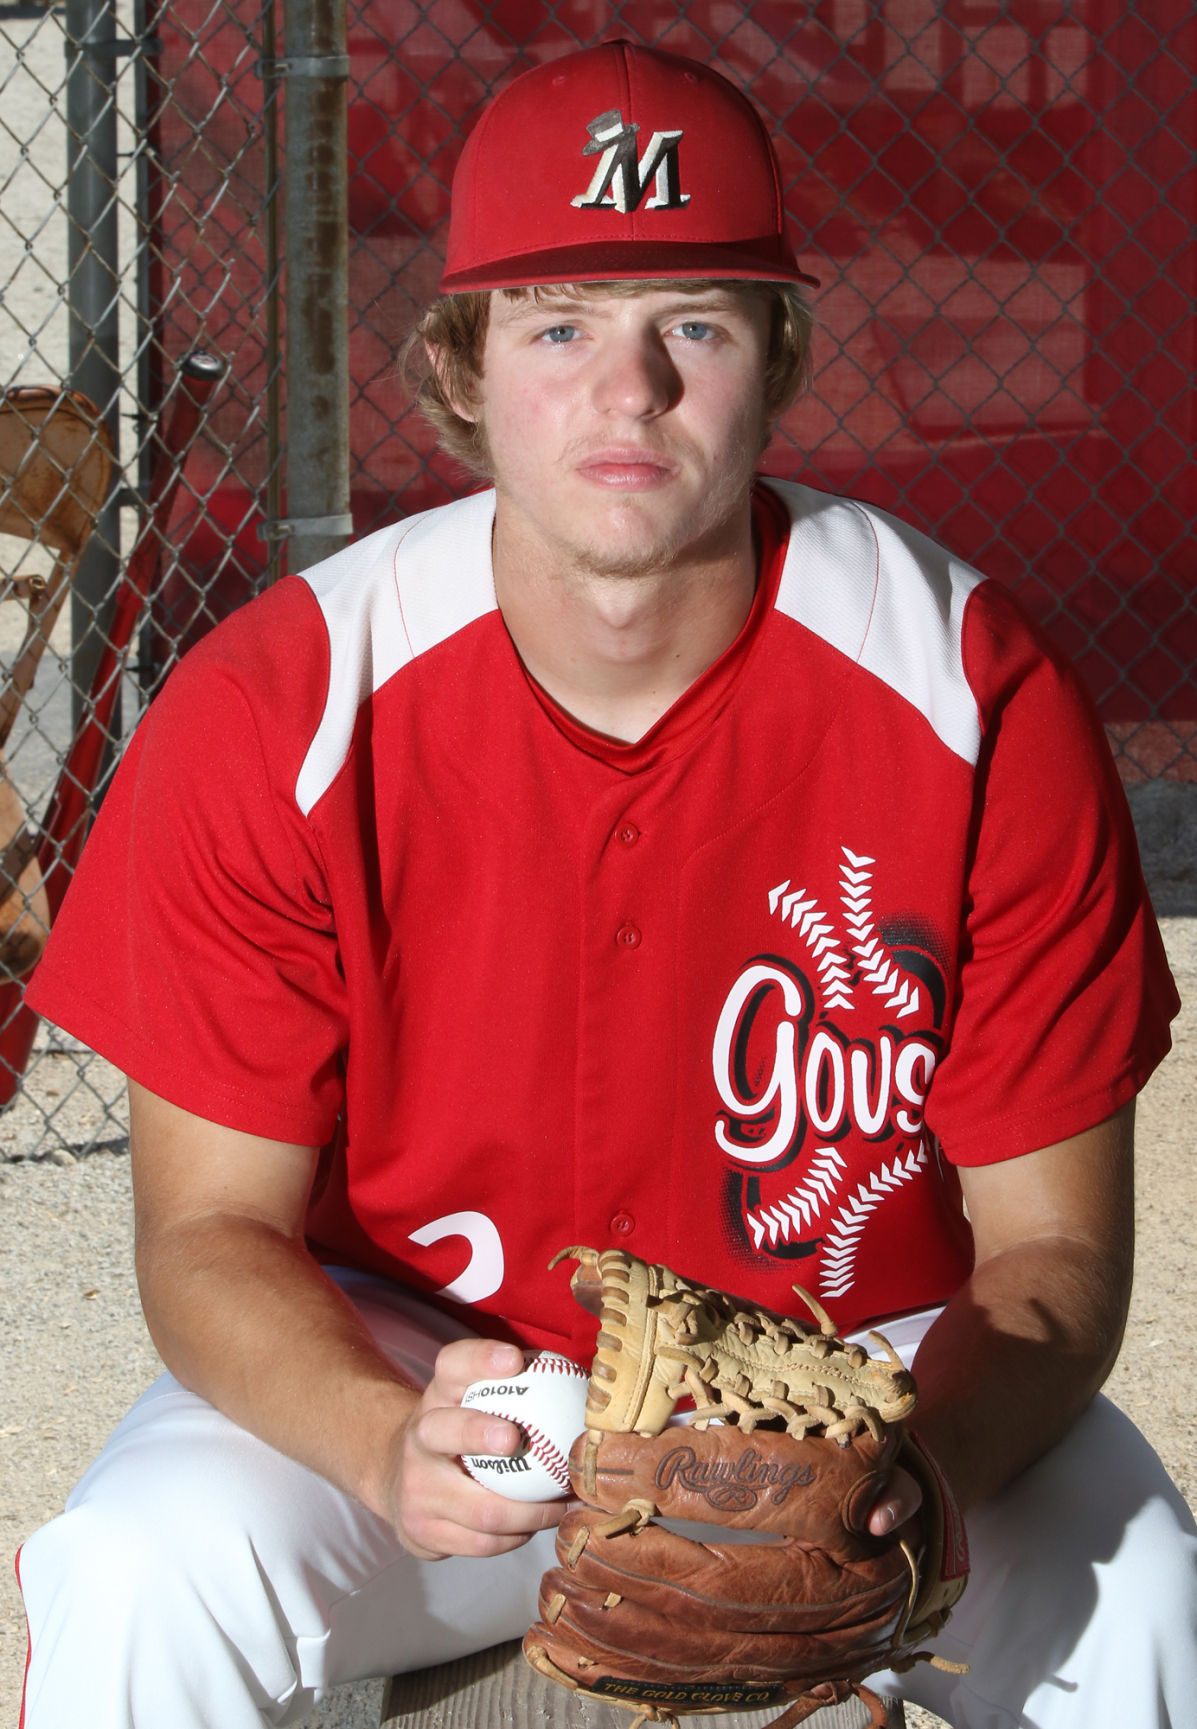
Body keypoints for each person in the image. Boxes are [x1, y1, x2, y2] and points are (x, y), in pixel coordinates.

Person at [16, 38, 1196, 1729]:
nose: (624, 390)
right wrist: (373, 1437)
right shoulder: (286, 698)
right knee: (137, 1571)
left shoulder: (965, 685)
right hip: (428, 1364)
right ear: (462, 363)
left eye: (691, 327)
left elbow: (1055, 1256)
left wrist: (917, 1472)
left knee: (1144, 1595)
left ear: (776, 359)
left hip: (855, 1381)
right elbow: (206, 1230)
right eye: (560, 325)